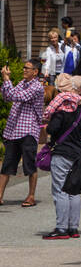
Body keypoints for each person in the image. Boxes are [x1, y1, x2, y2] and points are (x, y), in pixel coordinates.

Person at [41, 73, 81, 240]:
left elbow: (53, 129)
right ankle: (73, 227)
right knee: (73, 191)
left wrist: (48, 126)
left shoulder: (61, 108)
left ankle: (61, 228)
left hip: (62, 152)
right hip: (77, 152)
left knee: (60, 190)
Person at [0, 57, 45, 207]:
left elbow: (17, 96)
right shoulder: (22, 83)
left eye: (27, 68)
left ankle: (31, 196)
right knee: (7, 165)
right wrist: (6, 81)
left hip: (28, 130)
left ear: (35, 72)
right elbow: (7, 96)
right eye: (24, 67)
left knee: (29, 165)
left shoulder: (37, 87)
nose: (24, 70)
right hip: (14, 130)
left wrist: (6, 79)